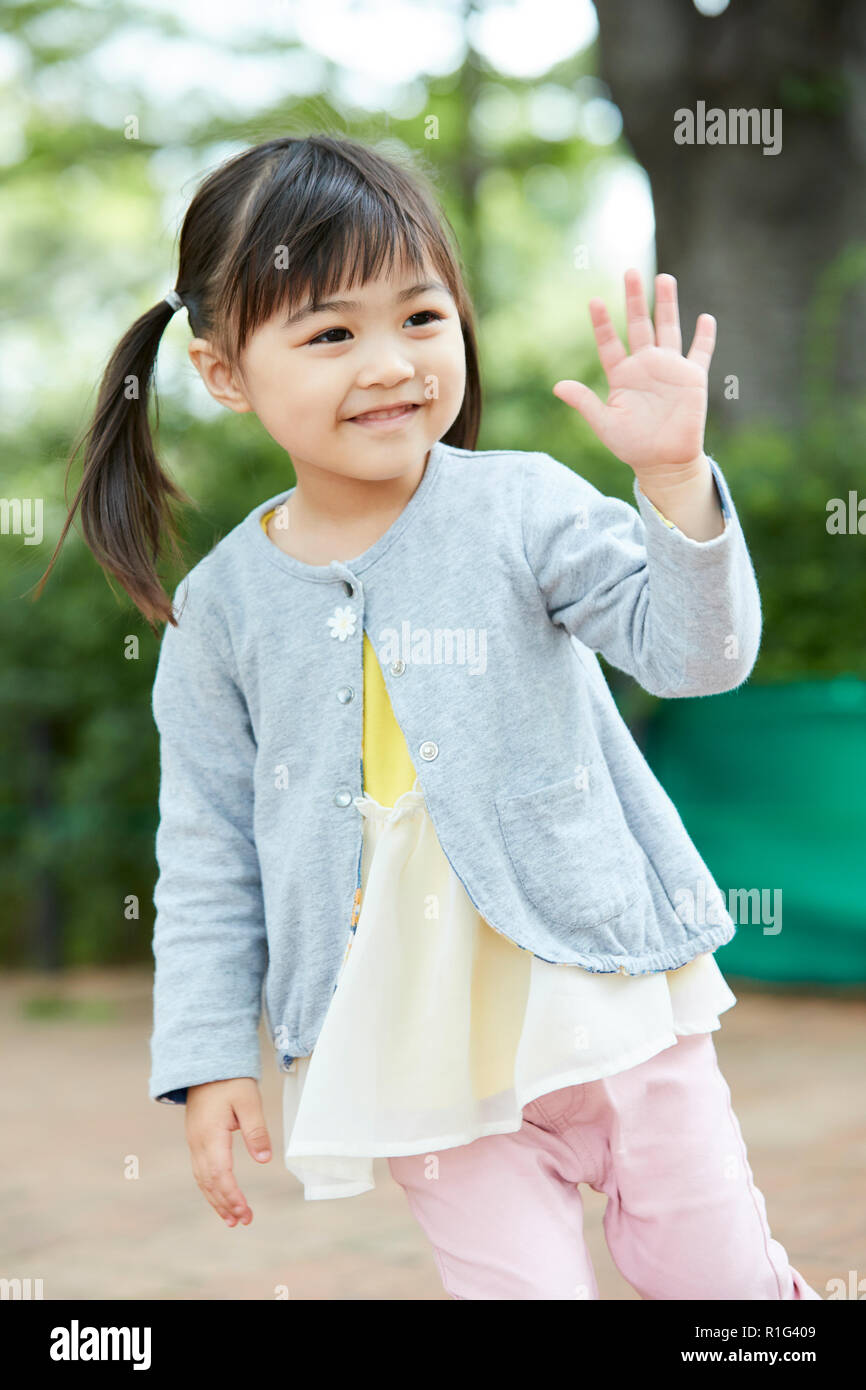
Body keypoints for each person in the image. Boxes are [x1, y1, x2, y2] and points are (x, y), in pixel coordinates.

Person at [41, 134, 822, 1301]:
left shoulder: (520, 506)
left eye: (420, 316)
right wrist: (206, 1059)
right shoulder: (221, 611)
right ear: (221, 370)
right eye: (329, 333)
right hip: (409, 1047)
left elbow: (697, 658)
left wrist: (671, 487)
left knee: (717, 1289)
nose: (392, 363)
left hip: (608, 997)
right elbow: (204, 850)